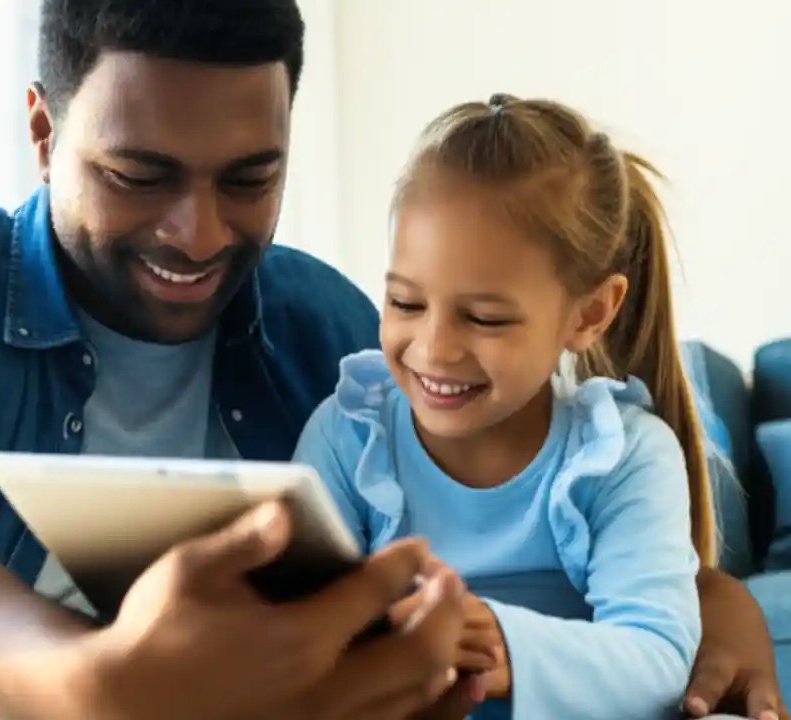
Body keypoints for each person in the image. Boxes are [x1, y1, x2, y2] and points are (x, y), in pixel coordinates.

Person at [0, 1, 788, 718]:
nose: (198, 233)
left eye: (250, 178)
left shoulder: (317, 325)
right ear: (42, 128)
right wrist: (94, 688)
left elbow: (504, 530)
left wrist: (713, 598)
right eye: (136, 173)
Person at [294, 94, 713, 719]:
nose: (434, 349)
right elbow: (293, 629)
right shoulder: (348, 434)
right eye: (406, 304)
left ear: (590, 313)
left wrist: (497, 643)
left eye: (484, 317)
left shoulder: (621, 453)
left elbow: (655, 659)